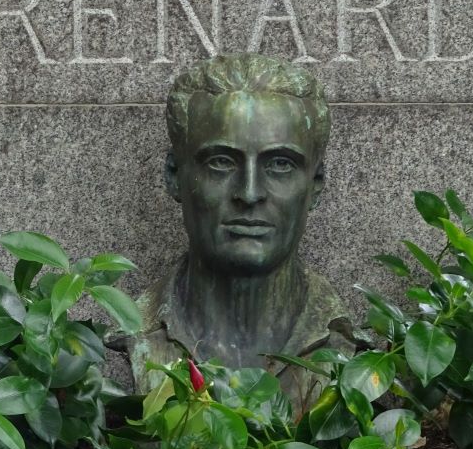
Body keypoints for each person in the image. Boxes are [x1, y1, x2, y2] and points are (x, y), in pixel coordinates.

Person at [122, 53, 344, 404]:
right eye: (221, 162)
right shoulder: (135, 331)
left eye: (280, 165)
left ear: (315, 184)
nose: (250, 193)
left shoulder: (345, 345)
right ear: (175, 176)